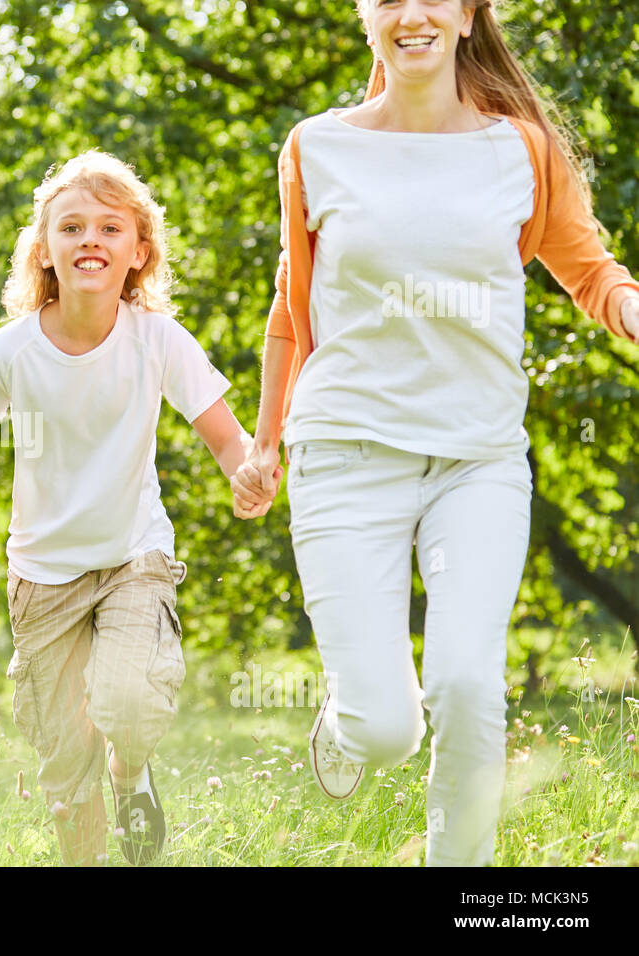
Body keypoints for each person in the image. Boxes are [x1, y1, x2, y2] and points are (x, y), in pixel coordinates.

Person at [232, 0, 639, 866]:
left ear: (466, 15)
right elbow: (290, 307)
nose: (410, 14)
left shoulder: (519, 146)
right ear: (365, 17)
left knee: (467, 684)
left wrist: (629, 309)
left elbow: (588, 267)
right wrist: (265, 443)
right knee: (386, 731)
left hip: (477, 460)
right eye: (388, 0)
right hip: (344, 454)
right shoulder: (317, 146)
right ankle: (351, 721)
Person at [0, 151, 254, 866]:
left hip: (133, 555)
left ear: (139, 252)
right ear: (44, 249)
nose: (90, 240)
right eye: (71, 227)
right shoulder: (11, 351)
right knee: (66, 777)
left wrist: (247, 473)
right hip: (42, 576)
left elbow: (226, 436)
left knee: (129, 706)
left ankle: (131, 774)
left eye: (110, 227)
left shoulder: (158, 339)